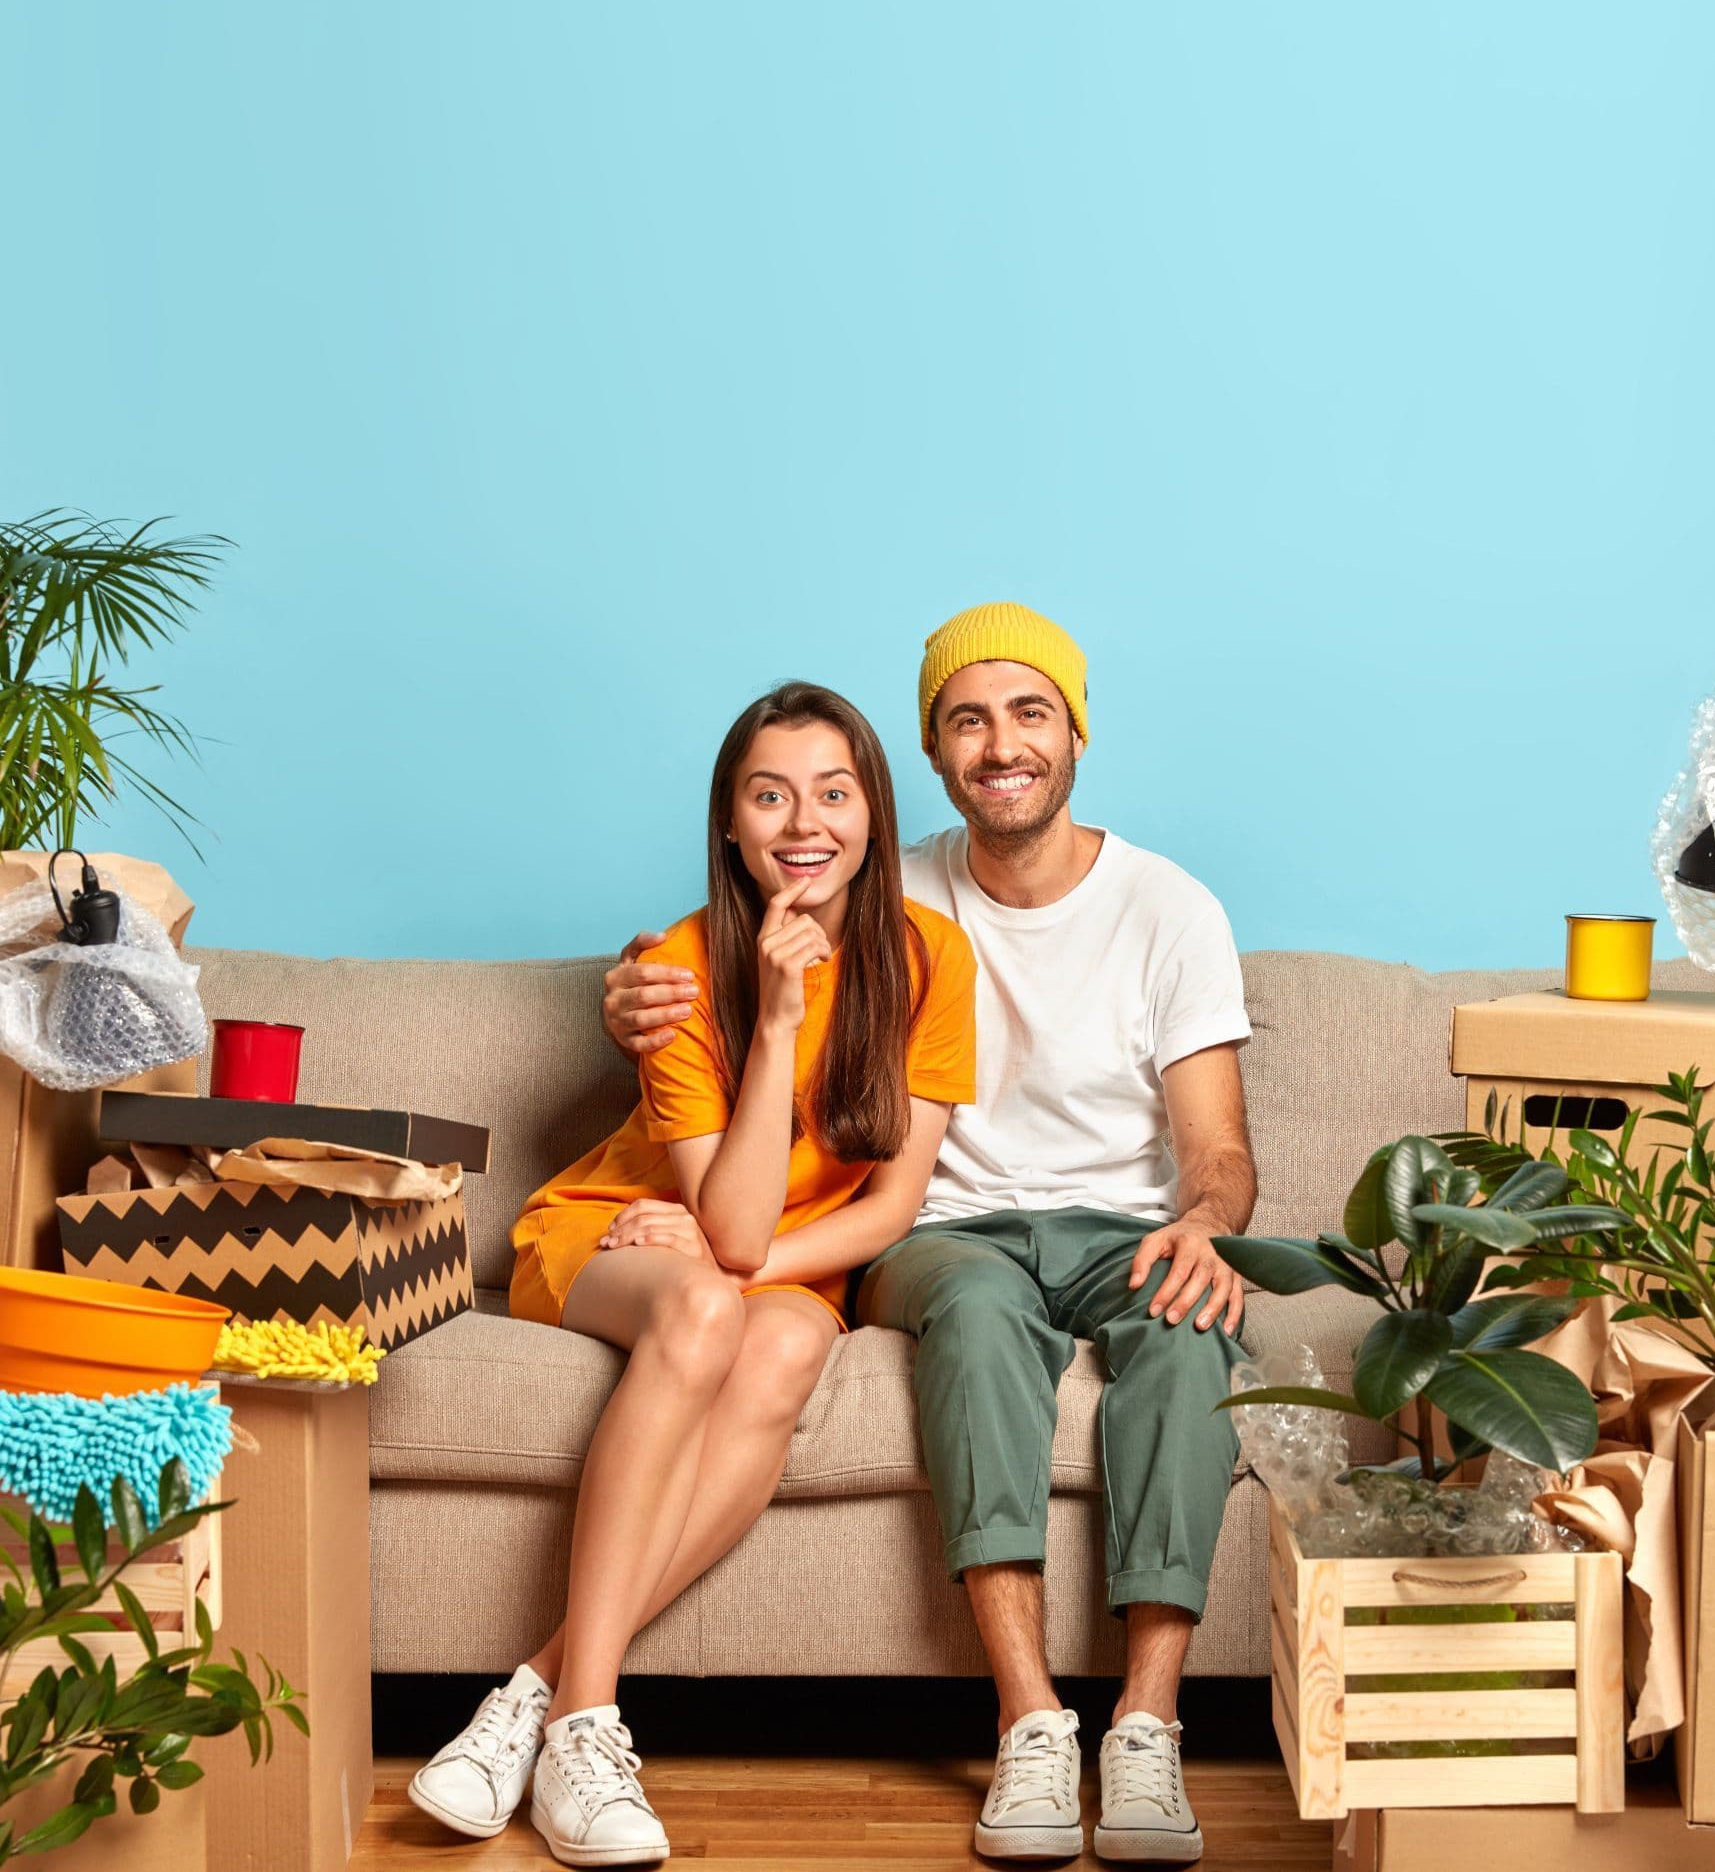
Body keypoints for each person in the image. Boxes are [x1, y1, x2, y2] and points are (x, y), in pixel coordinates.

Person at [610, 605, 1255, 1865]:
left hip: (1124, 1226)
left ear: (1074, 730)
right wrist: (624, 986)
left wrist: (1204, 1223)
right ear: (931, 748)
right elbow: (724, 957)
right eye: (967, 717)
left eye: (1027, 712)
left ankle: (1143, 1727)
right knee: (971, 1314)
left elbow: (1218, 1147)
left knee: (1189, 1329)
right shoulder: (883, 879)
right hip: (942, 1228)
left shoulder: (1170, 908)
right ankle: (1026, 1724)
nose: (999, 742)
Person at [409, 681, 977, 1867]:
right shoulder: (677, 965)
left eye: (833, 792)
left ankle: (532, 1699)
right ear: (729, 822)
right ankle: (591, 1720)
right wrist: (773, 1015)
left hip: (775, 1262)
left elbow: (889, 1205)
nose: (802, 822)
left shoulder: (932, 959)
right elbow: (717, 1223)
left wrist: (750, 1259)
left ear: (874, 811)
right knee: (715, 1304)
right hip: (618, 1235)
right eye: (769, 795)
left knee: (776, 1339)